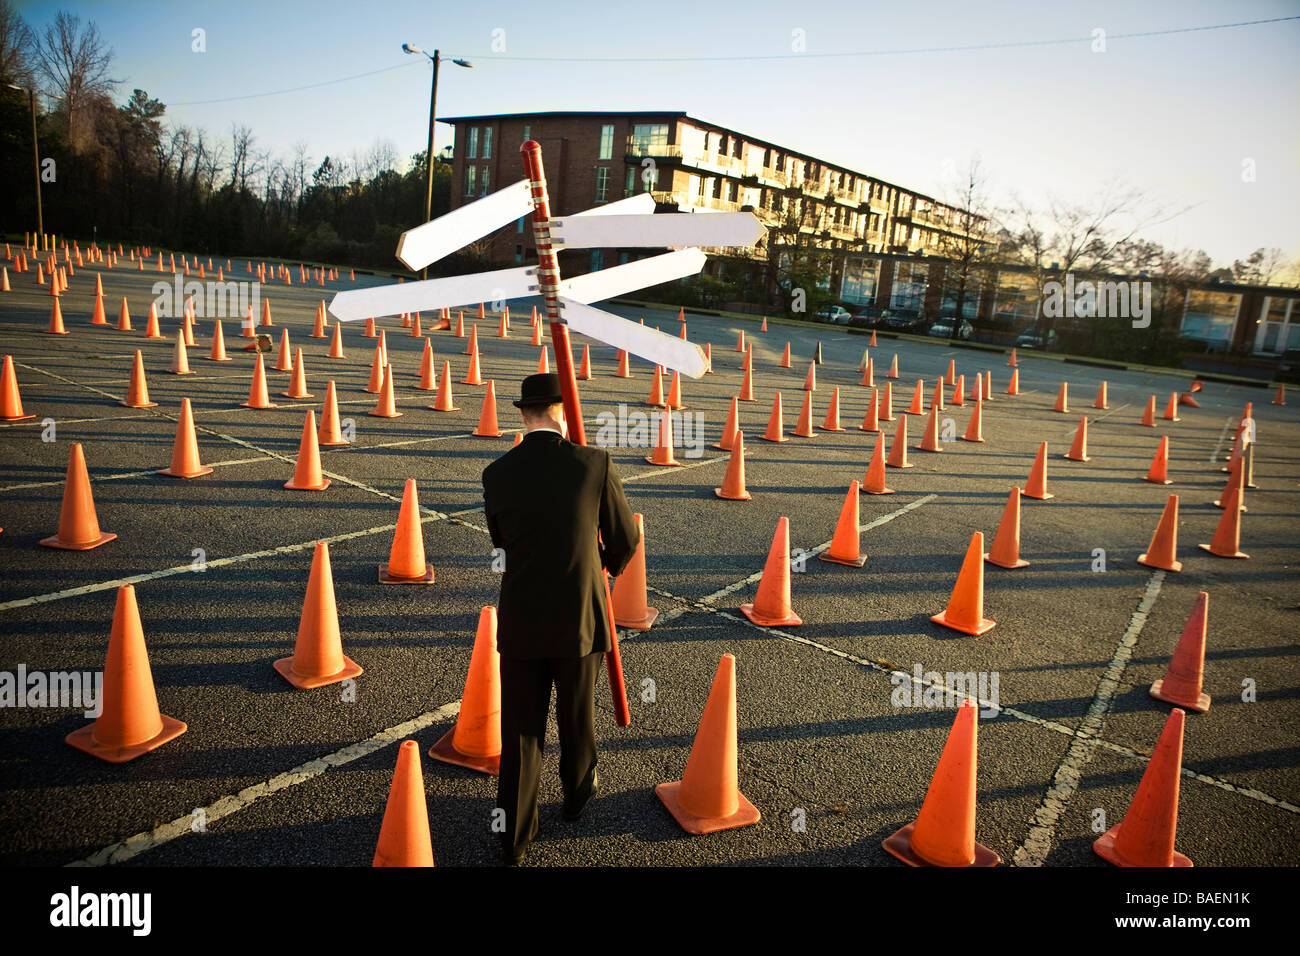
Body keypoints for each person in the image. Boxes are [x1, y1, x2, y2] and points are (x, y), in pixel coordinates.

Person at [481, 372, 640, 865]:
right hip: (581, 617)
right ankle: (574, 798)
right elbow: (625, 538)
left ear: (524, 415)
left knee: (521, 730)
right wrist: (602, 568)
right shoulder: (594, 462)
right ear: (564, 412)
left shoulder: (497, 473)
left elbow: (500, 546)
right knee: (577, 716)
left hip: (523, 618)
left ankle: (514, 834)